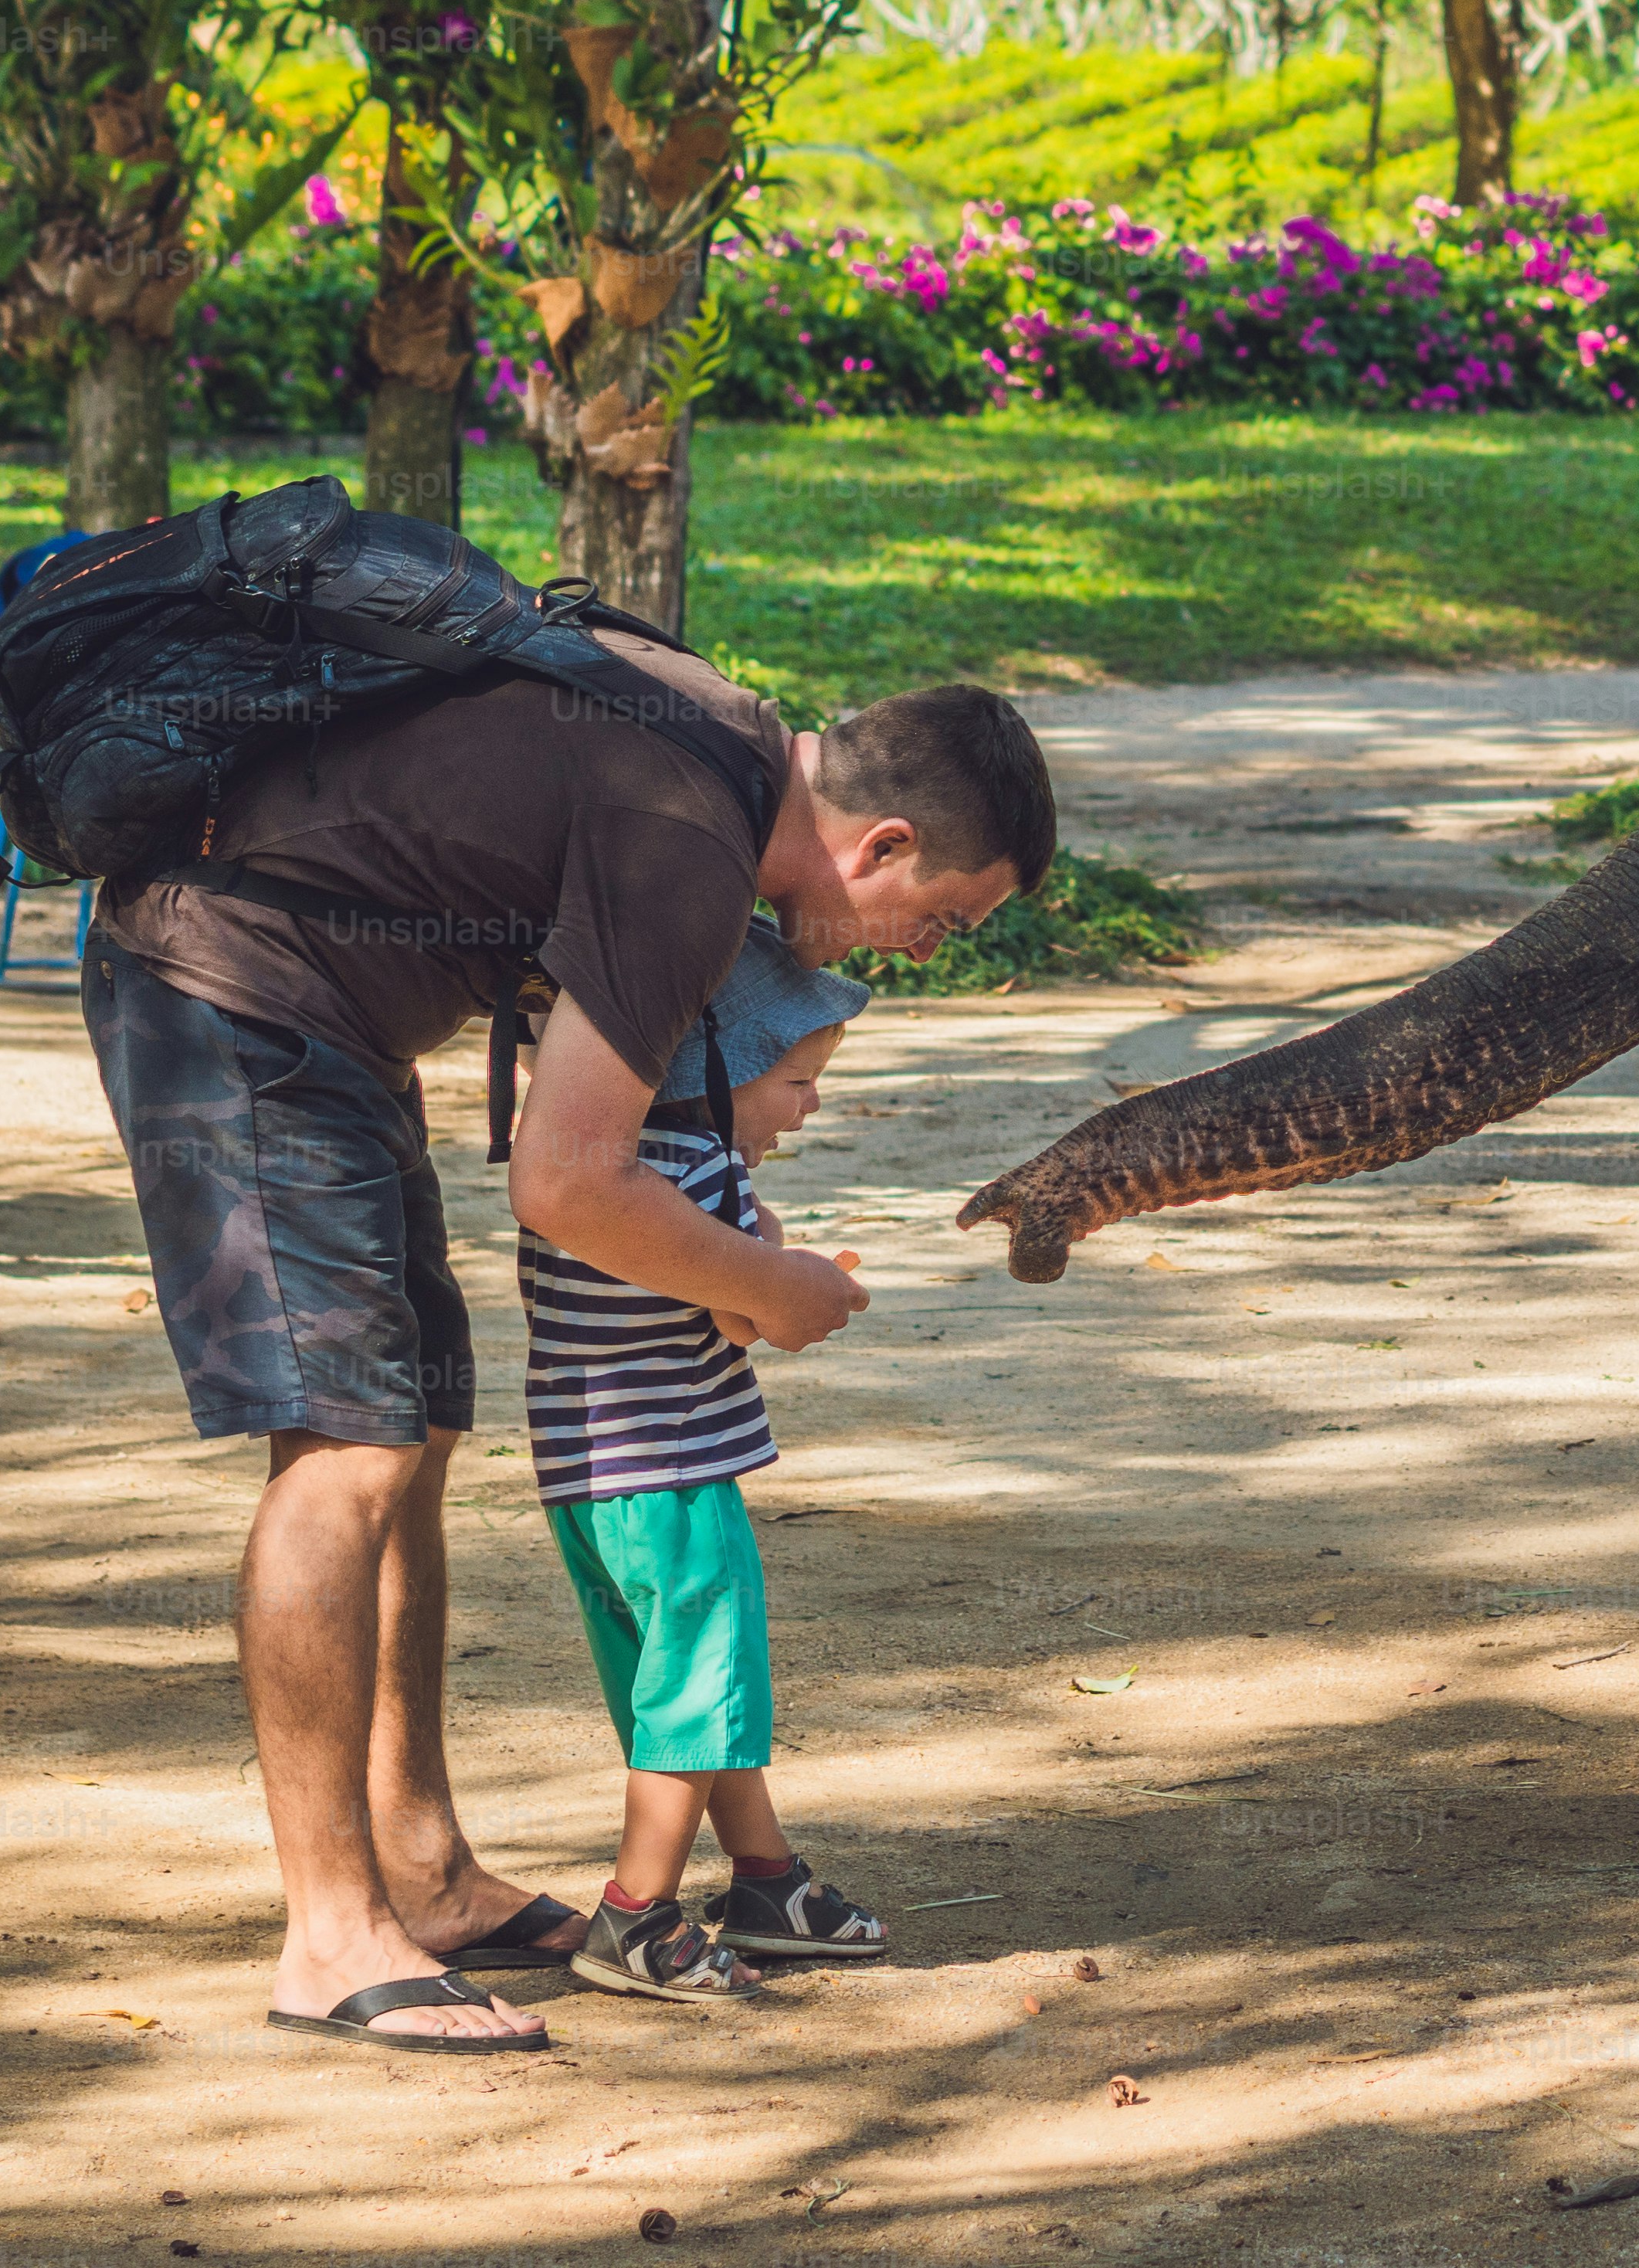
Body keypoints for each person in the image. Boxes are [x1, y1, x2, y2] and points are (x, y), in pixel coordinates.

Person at [80, 664, 1050, 2053]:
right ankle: (330, 1933)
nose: (919, 948)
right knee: (347, 1441)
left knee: (407, 1427)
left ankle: (421, 1870)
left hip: (318, 1020)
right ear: (880, 844)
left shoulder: (706, 757)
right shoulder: (691, 843)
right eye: (941, 918)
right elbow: (569, 1182)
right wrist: (768, 1285)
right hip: (228, 992)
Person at [524, 926, 889, 2000]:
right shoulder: (704, 1177)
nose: (806, 1104)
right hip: (675, 1473)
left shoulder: (591, 1165)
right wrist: (802, 1274)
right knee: (701, 1682)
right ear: (716, 1070)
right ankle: (635, 1916)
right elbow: (745, 1316)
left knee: (678, 1687)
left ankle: (767, 1877)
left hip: (585, 1476)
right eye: (794, 1079)